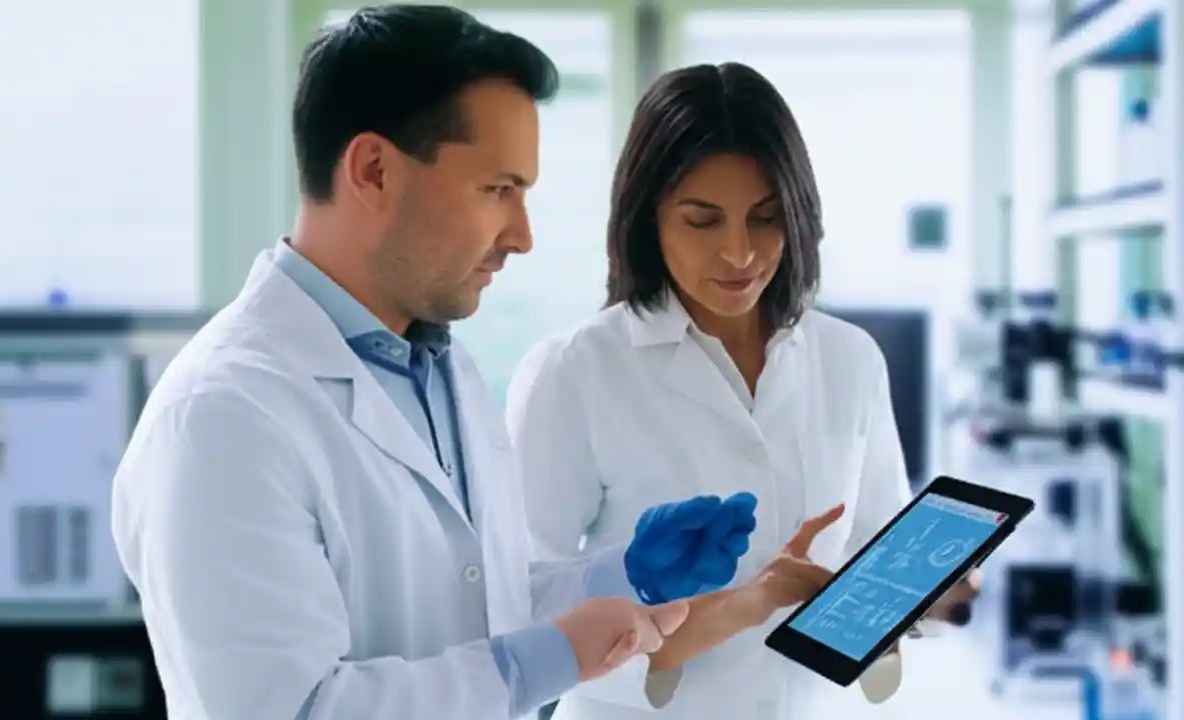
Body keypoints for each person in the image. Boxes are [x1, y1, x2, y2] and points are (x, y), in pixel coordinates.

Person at [108, 8, 761, 719]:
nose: (522, 235)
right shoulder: (223, 415)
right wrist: (542, 662)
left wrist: (622, 576)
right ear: (374, 170)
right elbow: (284, 709)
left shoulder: (439, 371)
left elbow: (477, 603)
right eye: (497, 189)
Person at [506, 62, 980, 720]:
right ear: (650, 219)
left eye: (765, 218)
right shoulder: (572, 372)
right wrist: (744, 605)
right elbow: (525, 618)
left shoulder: (849, 360)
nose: (740, 254)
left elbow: (873, 552)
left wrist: (923, 598)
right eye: (703, 221)